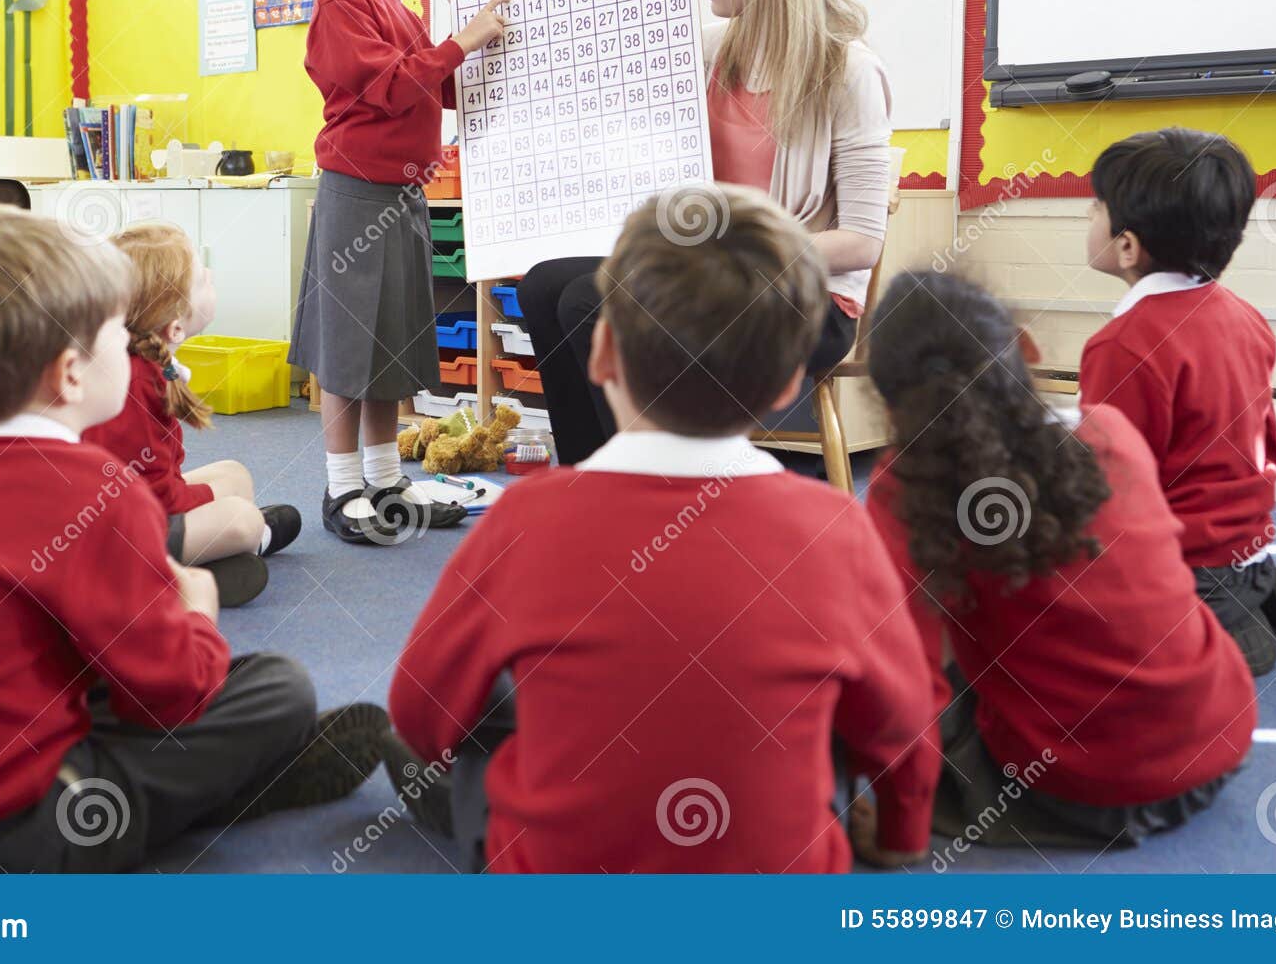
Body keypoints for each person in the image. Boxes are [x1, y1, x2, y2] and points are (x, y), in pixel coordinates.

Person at [0, 205, 387, 872]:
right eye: (117, 332)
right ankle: (235, 783)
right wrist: (194, 609)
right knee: (279, 688)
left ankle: (214, 776)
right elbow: (176, 689)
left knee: (90, 682)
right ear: (72, 372)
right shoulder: (93, 492)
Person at [388, 186, 932, 872]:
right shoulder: (836, 527)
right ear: (789, 379)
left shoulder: (528, 517)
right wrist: (906, 835)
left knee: (484, 712)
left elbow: (420, 712)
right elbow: (903, 728)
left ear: (602, 350)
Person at [850, 271, 1256, 865]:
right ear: (1027, 348)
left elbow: (906, 680)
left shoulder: (903, 488)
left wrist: (897, 836)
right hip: (1220, 738)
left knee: (879, 689)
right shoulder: (1110, 431)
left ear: (888, 405)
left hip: (1081, 792)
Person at [520, 0, 893, 463]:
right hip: (708, 278)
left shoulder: (848, 71)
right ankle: (591, 482)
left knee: (591, 301)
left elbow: (863, 244)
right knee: (543, 284)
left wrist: (737, 254)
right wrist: (483, 1)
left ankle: (646, 484)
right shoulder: (712, 50)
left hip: (803, 299)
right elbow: (579, 50)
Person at [285, 0, 506, 543]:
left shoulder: (391, 4)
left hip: (403, 194)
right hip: (357, 195)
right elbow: (391, 85)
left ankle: (385, 477)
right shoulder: (337, 8)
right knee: (351, 348)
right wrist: (459, 39)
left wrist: (458, 12)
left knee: (393, 344)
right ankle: (341, 485)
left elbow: (436, 85)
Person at [1080, 128, 1276, 676]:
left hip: (1186, 564)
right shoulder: (1242, 316)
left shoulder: (1122, 345)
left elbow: (1113, 485)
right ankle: (1260, 589)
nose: (1087, 214)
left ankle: (1225, 626)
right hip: (1246, 541)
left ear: (1127, 246)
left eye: (1095, 207)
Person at [84, 223, 299, 606]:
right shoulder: (134, 382)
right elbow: (158, 498)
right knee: (242, 519)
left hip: (133, 510)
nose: (211, 275)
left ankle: (205, 559)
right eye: (201, 280)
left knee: (235, 474)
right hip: (117, 533)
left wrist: (207, 495)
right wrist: (207, 500)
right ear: (176, 327)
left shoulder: (148, 361)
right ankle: (170, 572)